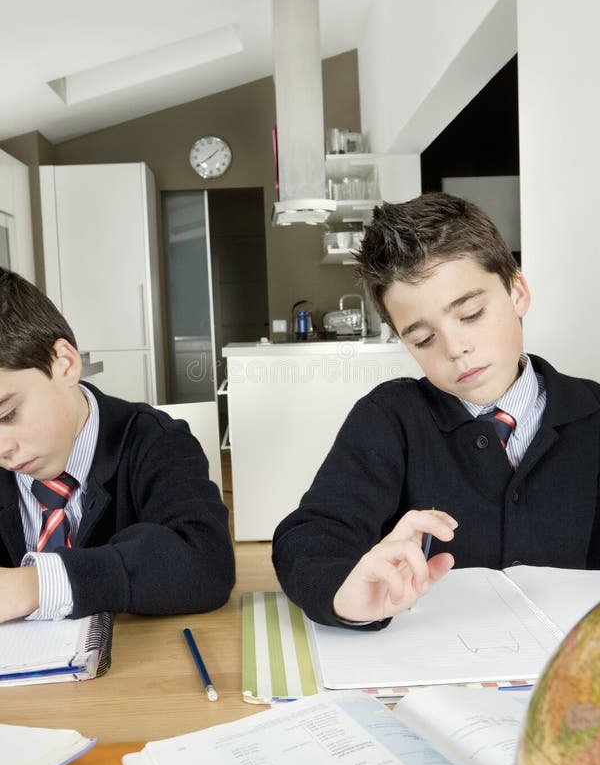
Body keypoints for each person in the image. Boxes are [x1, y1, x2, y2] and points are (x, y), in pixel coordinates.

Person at [272, 193, 600, 628]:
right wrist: (342, 592)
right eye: (423, 339)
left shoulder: (593, 415)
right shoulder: (389, 419)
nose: (455, 349)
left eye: (471, 313)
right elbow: (308, 536)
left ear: (516, 291)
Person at [0, 267, 235, 623]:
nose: (2, 449)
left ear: (64, 364)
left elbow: (206, 562)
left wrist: (37, 585)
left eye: (8, 415)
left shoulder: (158, 441)